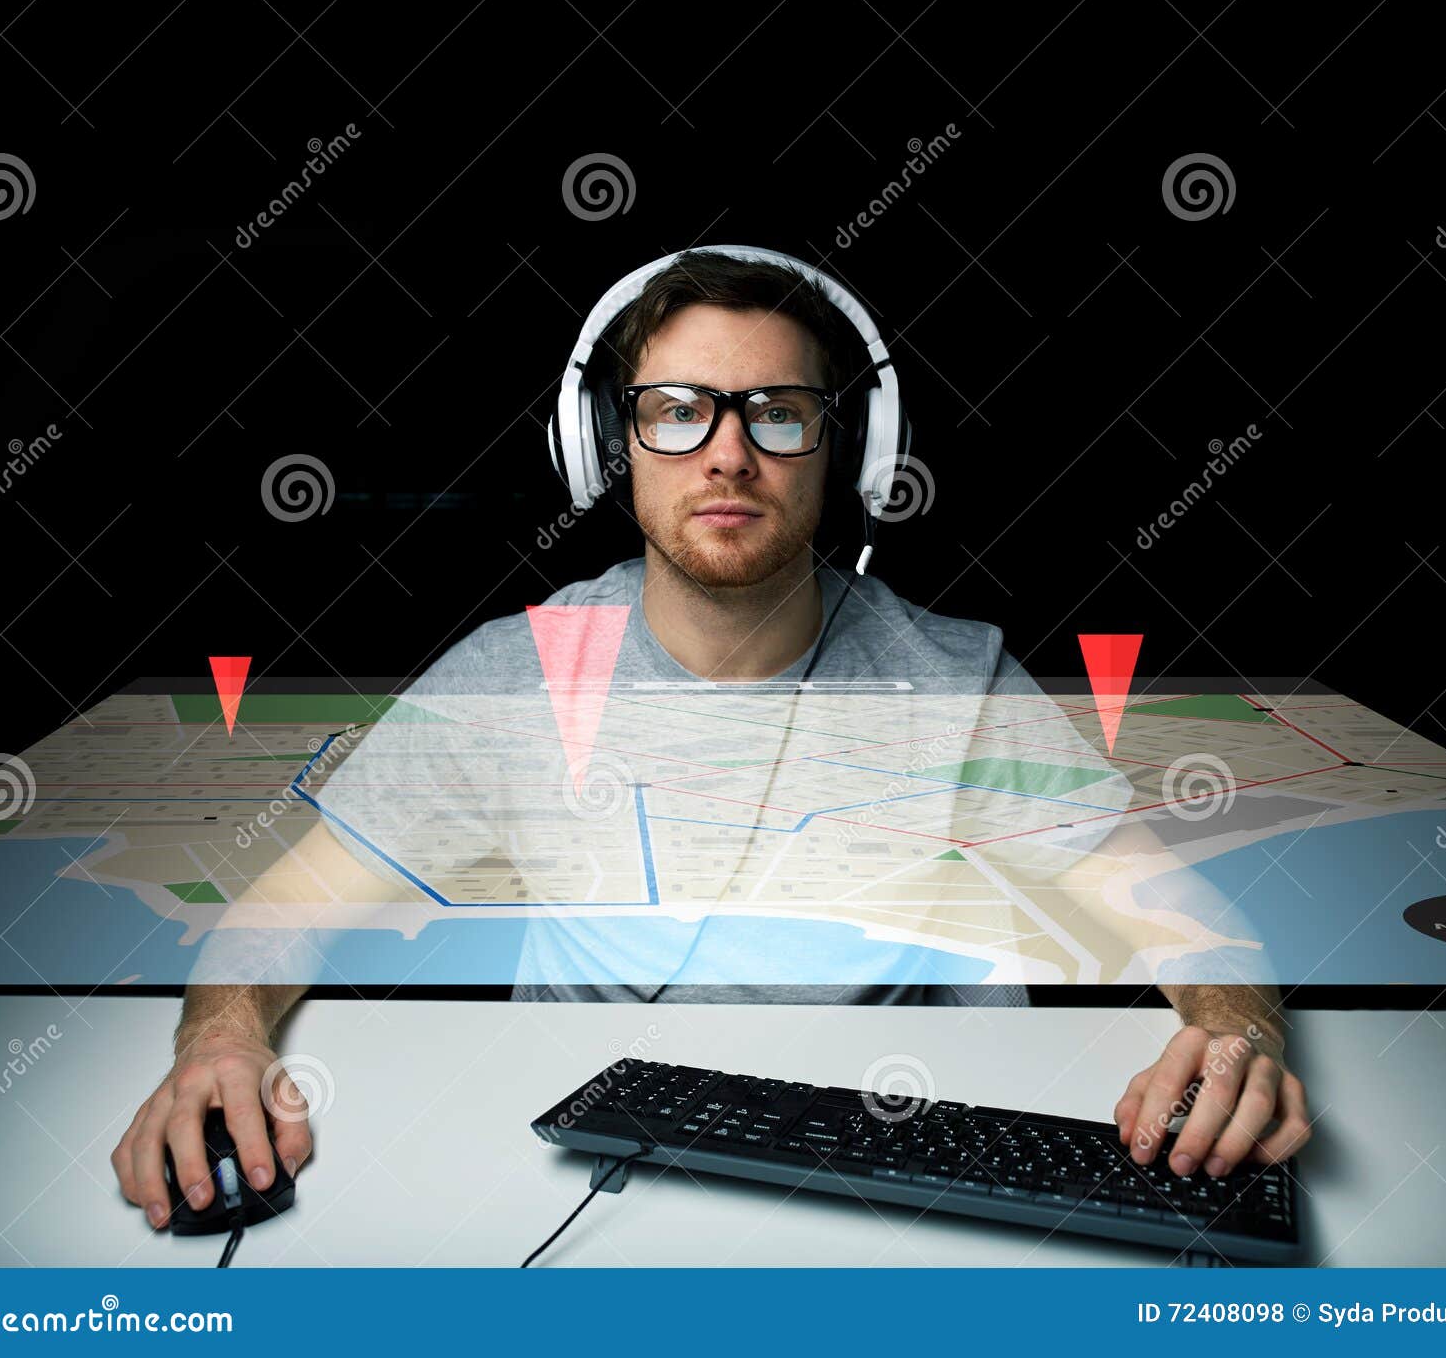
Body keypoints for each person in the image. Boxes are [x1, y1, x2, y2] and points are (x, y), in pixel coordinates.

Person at [111, 248, 1311, 1231]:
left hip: (869, 1187)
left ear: (846, 454)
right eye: (678, 412)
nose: (728, 452)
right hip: (561, 1175)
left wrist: (1231, 1029)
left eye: (777, 414)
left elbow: (1171, 909)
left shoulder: (950, 681)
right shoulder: (519, 673)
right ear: (609, 447)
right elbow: (292, 900)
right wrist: (216, 1041)